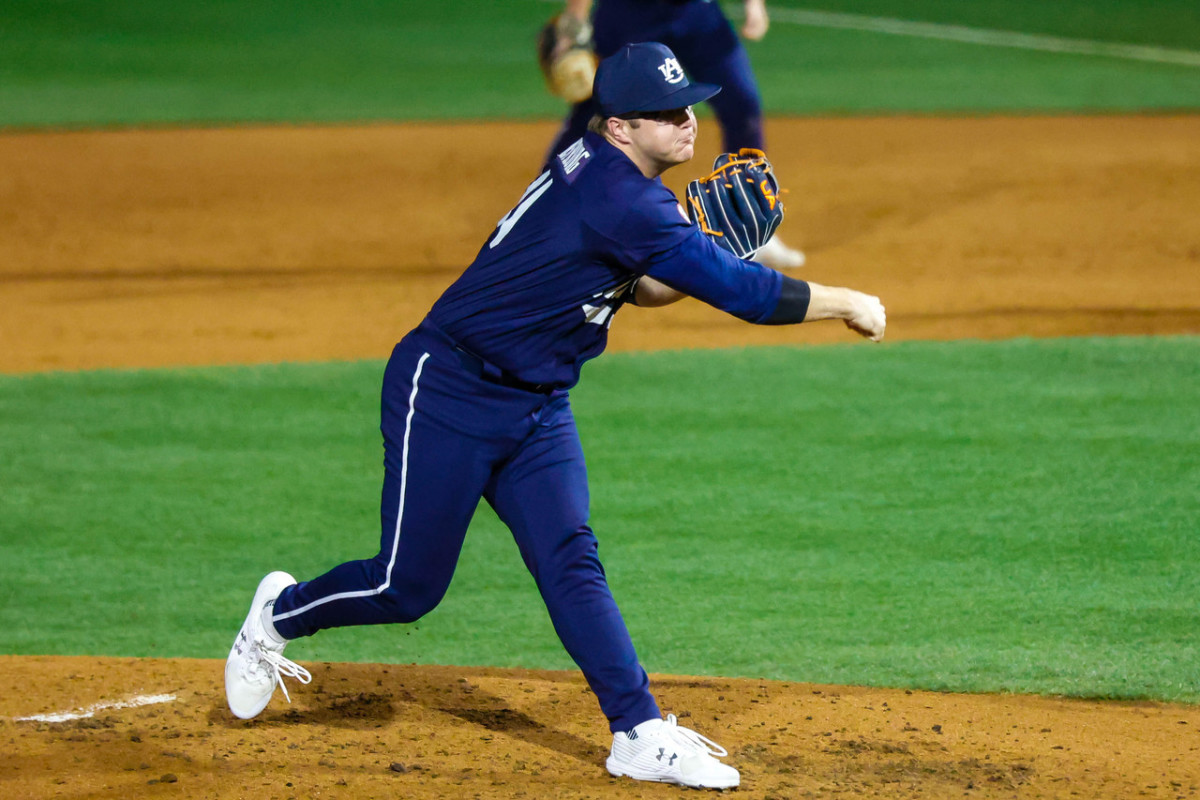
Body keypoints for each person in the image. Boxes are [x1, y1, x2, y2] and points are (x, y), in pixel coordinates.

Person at [225, 42, 885, 791]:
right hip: (447, 391)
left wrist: (689, 263)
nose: (689, 121)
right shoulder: (625, 201)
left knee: (571, 557)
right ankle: (278, 616)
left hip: (537, 406)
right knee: (406, 588)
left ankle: (637, 731)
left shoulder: (607, 177)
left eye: (689, 105)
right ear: (621, 127)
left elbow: (632, 285)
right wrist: (847, 302)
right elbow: (751, 297)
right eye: (666, 113)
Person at [545, 0, 807, 270]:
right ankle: (545, 213)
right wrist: (573, 23)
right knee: (594, 114)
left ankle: (751, 226)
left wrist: (754, 5)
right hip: (627, 14)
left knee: (742, 104)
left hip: (697, 13)